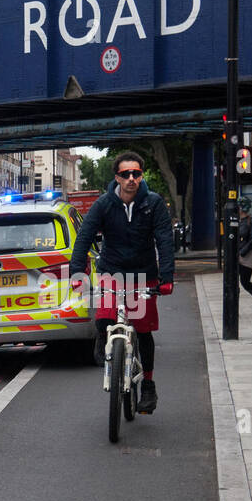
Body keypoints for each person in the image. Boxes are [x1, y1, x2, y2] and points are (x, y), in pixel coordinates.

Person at [69, 151, 175, 414]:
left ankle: (148, 385)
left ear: (141, 176)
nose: (131, 178)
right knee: (104, 318)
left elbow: (164, 239)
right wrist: (76, 274)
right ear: (117, 176)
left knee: (143, 330)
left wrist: (167, 277)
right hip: (112, 273)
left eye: (136, 173)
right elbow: (84, 238)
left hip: (143, 273)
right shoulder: (103, 204)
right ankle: (111, 353)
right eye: (126, 174)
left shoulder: (153, 203)